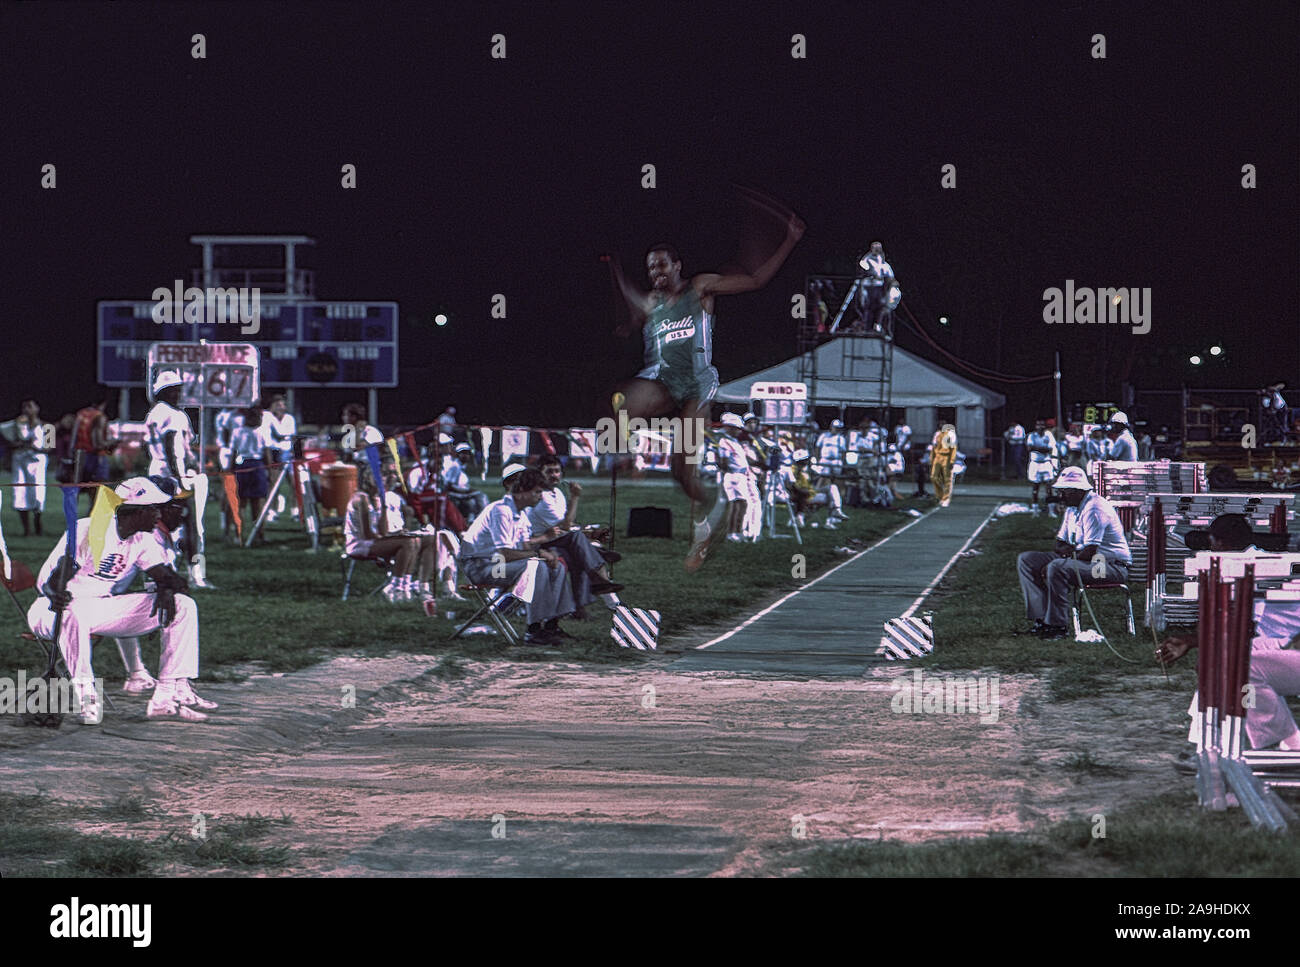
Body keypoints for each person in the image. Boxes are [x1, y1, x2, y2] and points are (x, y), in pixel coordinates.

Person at [609, 202, 805, 572]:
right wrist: (616, 272)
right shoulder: (653, 303)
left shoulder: (700, 289)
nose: (656, 272)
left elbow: (756, 280)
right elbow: (634, 304)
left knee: (683, 473)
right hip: (664, 379)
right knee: (621, 400)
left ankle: (707, 523)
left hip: (698, 384)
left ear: (677, 265)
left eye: (662, 264)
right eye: (651, 267)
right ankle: (626, 452)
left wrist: (789, 240)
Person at [28, 476, 216, 723]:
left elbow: (171, 579)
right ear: (135, 511)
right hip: (51, 609)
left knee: (184, 606)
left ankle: (165, 696)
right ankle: (87, 699)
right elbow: (52, 583)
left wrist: (167, 589)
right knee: (74, 613)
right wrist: (57, 594)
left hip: (100, 606)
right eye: (153, 510)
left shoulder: (142, 539)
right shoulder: (90, 529)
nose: (158, 516)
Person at [1154, 515, 1300, 750]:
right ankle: (1206, 740)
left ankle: (1280, 742)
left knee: (1232, 665)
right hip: (1279, 642)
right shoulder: (1255, 561)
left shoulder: (1252, 567)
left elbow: (1247, 628)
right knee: (1219, 661)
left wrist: (1196, 642)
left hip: (1286, 645)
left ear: (1218, 543)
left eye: (1211, 541)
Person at [458, 468, 578, 644]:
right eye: (537, 491)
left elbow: (523, 546)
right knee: (537, 566)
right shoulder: (500, 511)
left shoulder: (521, 513)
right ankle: (533, 629)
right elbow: (504, 554)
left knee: (557, 565)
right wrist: (538, 553)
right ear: (522, 492)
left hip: (496, 563)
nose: (540, 496)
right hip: (480, 566)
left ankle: (552, 625)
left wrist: (545, 547)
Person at [1015, 466, 1132, 641]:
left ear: (1078, 491)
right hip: (1084, 558)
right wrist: (1068, 552)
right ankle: (1041, 620)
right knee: (1027, 560)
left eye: (1064, 492)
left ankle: (1057, 626)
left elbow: (1090, 552)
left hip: (1106, 565)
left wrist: (1066, 554)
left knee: (1057, 567)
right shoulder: (1072, 507)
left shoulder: (1094, 509)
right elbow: (1059, 543)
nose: (1061, 496)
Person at [524, 454, 622, 612]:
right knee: (583, 548)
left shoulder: (557, 493)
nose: (554, 475)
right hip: (540, 543)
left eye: (557, 471)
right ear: (539, 474)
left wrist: (590, 533)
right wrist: (575, 498)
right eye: (549, 472)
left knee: (582, 552)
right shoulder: (541, 496)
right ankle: (610, 597)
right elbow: (566, 526)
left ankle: (584, 606)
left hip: (557, 539)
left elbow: (566, 527)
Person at [344, 462, 439, 606]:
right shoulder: (361, 499)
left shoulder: (381, 498)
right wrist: (394, 537)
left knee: (428, 539)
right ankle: (395, 587)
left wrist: (384, 507)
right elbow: (367, 534)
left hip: (376, 540)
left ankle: (415, 585)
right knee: (408, 542)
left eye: (382, 476)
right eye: (376, 476)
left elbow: (382, 531)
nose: (381, 479)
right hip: (360, 543)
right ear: (366, 478)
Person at [230, 406, 272, 543]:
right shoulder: (263, 431)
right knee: (257, 503)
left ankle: (240, 535)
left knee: (242, 503)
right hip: (257, 466)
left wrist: (231, 469)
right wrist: (270, 471)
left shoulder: (237, 432)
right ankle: (259, 534)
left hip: (242, 465)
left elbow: (233, 453)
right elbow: (266, 453)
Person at [72, 388, 116, 513]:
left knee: (81, 492)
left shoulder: (81, 414)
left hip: (81, 456)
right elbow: (98, 444)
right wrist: (113, 442)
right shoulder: (99, 417)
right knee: (96, 495)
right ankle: (90, 522)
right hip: (97, 458)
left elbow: (74, 438)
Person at [12, 398, 50, 536]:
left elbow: (50, 447)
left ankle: (37, 523)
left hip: (37, 463)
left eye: (30, 407)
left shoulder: (47, 425)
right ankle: (26, 529)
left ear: (36, 409)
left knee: (37, 493)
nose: (27, 410)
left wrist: (36, 447)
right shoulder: (17, 425)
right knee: (20, 493)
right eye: (24, 407)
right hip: (21, 462)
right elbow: (10, 441)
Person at [856, 241, 895, 332]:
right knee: (868, 308)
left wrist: (891, 283)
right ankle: (866, 327)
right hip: (867, 287)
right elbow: (863, 266)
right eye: (875, 248)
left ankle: (878, 326)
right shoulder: (866, 260)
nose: (877, 250)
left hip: (879, 288)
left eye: (878, 248)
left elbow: (890, 276)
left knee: (880, 307)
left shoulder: (883, 264)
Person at [1026, 419, 1058, 516]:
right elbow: (1029, 448)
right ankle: (1035, 511)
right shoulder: (1031, 435)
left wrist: (1036, 448)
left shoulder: (1048, 435)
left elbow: (1049, 449)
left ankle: (1051, 511)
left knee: (1049, 488)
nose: (1040, 427)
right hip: (1035, 463)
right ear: (1036, 426)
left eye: (1042, 425)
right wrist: (1042, 449)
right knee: (1036, 487)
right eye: (1038, 425)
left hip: (1046, 463)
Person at [929, 423, 958, 507]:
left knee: (947, 479)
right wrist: (931, 459)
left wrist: (952, 460)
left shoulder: (951, 434)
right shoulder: (937, 434)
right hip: (937, 457)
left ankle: (946, 498)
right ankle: (940, 495)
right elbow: (934, 448)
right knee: (933, 477)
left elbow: (953, 448)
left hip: (947, 457)